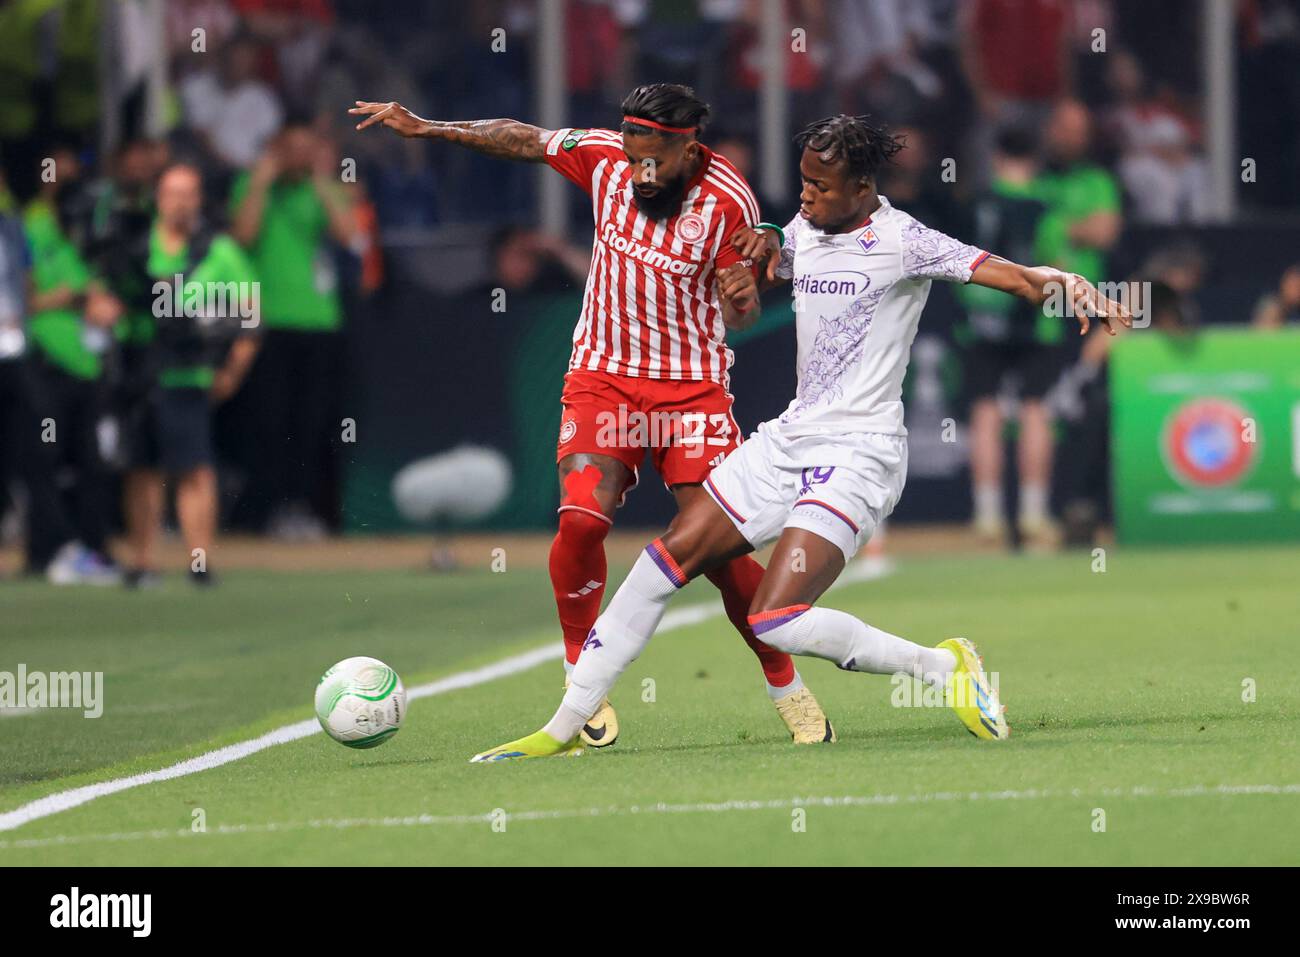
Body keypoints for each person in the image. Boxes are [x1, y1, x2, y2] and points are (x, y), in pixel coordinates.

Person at [470, 114, 1130, 762]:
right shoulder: (803, 230)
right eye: (804, 181)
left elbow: (1016, 277)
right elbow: (758, 272)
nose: (806, 195)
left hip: (860, 454)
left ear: (862, 186)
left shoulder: (905, 241)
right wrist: (744, 274)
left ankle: (941, 667)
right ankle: (559, 728)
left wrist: (1078, 289)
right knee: (660, 562)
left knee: (773, 617)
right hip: (790, 438)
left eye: (820, 185)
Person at [352, 83, 837, 747]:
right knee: (581, 518)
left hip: (690, 389)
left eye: (653, 160)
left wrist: (743, 294)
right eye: (631, 152)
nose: (639, 172)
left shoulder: (730, 201)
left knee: (720, 551)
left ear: (687, 147)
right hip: (603, 377)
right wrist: (430, 125)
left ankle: (784, 680)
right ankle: (581, 671)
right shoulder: (605, 156)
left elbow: (741, 309)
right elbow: (522, 136)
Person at [100, 163, 260, 586]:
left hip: (188, 375)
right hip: (138, 374)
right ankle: (143, 559)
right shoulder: (136, 246)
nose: (180, 203)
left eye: (189, 193)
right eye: (172, 193)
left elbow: (251, 314)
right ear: (159, 199)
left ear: (200, 199)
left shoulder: (217, 250)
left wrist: (233, 370)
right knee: (141, 468)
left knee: (194, 468)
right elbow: (108, 295)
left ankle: (199, 560)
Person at [229, 124, 358, 539]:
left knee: (313, 423)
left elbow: (348, 235)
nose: (300, 157)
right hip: (268, 321)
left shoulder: (322, 189)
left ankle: (303, 509)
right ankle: (262, 510)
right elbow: (243, 235)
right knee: (268, 422)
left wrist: (320, 179)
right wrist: (262, 180)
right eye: (293, 149)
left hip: (319, 322)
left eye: (308, 149)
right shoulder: (252, 186)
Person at [958, 126, 1060, 547]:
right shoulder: (1049, 205)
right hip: (1038, 320)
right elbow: (1058, 263)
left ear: (997, 158)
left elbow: (959, 263)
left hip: (984, 321)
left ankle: (988, 519)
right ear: (1034, 159)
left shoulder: (977, 202)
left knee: (986, 413)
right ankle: (1034, 516)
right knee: (1036, 412)